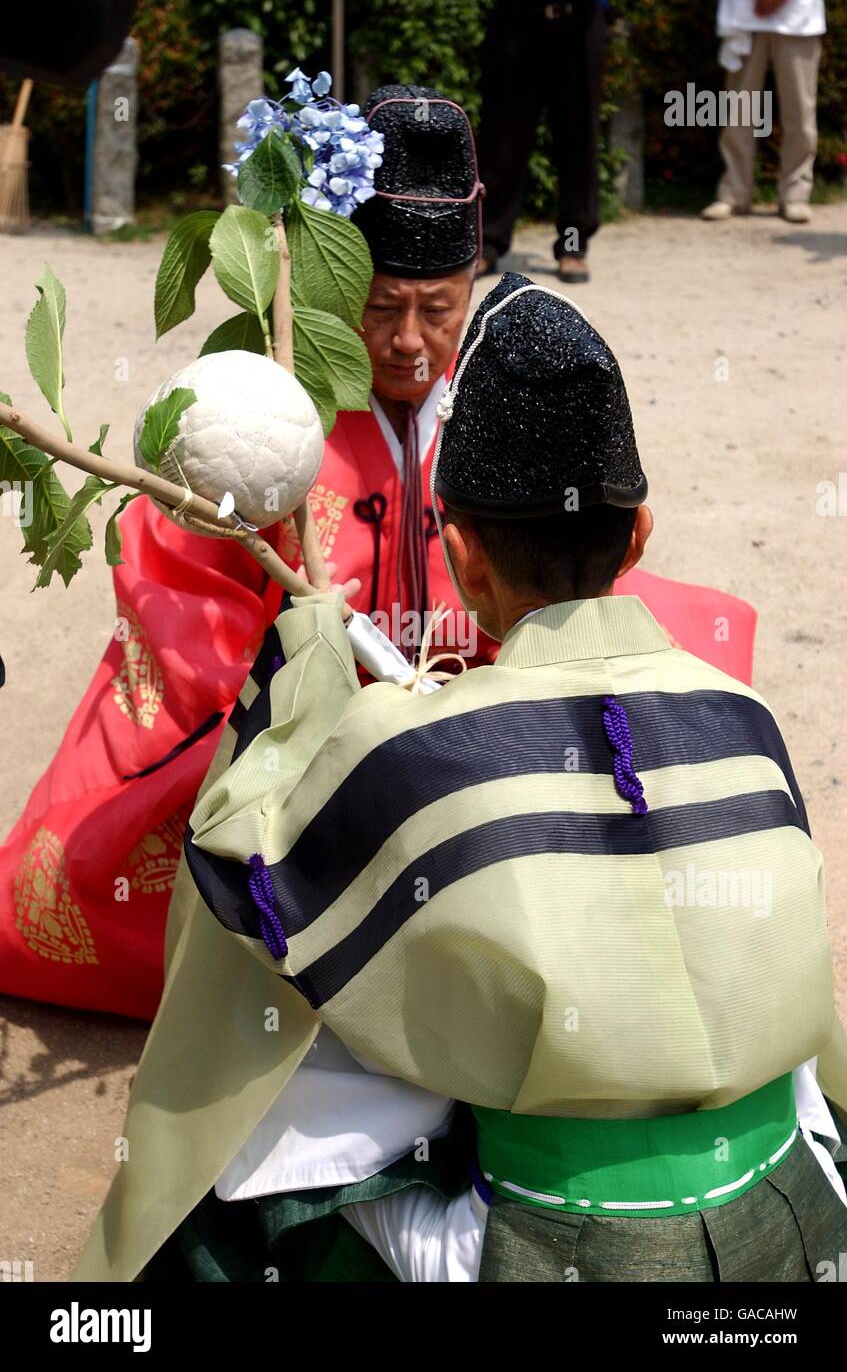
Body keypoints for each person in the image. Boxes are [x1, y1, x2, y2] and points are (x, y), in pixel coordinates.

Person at [1, 82, 755, 1024]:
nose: (408, 343)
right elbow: (176, 595)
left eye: (438, 309)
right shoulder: (268, 412)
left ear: (473, 282)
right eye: (380, 305)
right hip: (296, 730)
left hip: (475, 710)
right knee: (93, 887)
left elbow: (575, 568)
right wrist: (308, 676)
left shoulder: (510, 388)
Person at [174, 273, 847, 1282]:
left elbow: (243, 872)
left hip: (564, 1251)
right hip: (792, 1220)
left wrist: (306, 656)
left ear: (460, 553)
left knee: (267, 1078)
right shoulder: (741, 713)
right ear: (640, 532)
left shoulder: (409, 745)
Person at [475, 0, 608, 283]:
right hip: (515, 20)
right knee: (501, 141)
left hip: (579, 22)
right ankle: (487, 244)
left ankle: (573, 247)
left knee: (578, 141)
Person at [702, 0, 826, 224]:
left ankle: (795, 195)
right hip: (745, 14)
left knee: (800, 113)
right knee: (739, 112)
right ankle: (734, 194)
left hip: (799, 18)